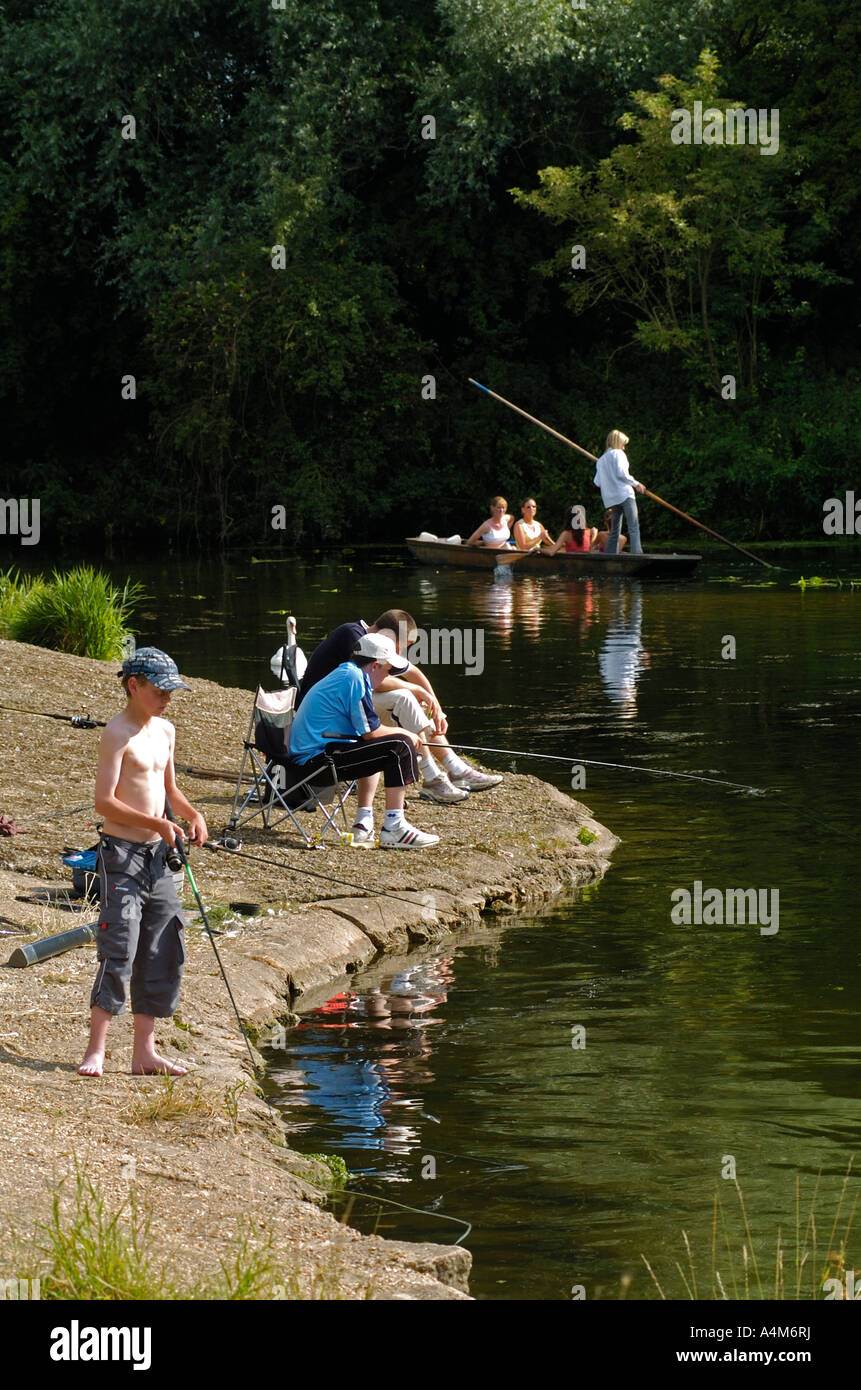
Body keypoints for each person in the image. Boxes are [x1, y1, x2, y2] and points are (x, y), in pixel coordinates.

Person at [79, 648, 208, 1078]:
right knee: (121, 946)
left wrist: (190, 815)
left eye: (172, 691)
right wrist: (156, 822)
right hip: (122, 857)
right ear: (133, 686)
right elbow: (104, 803)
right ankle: (96, 1050)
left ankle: (143, 1054)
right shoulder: (118, 733)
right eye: (160, 690)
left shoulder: (166, 730)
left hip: (158, 858)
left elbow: (170, 789)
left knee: (161, 947)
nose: (167, 698)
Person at [297, 610, 501, 803]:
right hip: (326, 716)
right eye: (401, 646)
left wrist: (434, 704)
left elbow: (413, 672)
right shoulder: (353, 637)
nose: (401, 652)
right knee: (403, 699)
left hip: (344, 707)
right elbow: (374, 682)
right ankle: (433, 778)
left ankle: (454, 768)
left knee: (410, 700)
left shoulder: (374, 642)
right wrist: (416, 692)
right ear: (387, 636)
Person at [288, 631, 438, 849]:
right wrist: (409, 734)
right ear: (375, 665)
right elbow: (372, 733)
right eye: (388, 671)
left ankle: (364, 824)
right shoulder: (354, 678)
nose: (388, 677)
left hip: (315, 756)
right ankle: (394, 828)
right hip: (315, 764)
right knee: (399, 746)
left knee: (384, 746)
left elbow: (367, 732)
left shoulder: (348, 673)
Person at [593, 430, 645, 554]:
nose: (624, 447)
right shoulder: (619, 454)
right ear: (617, 442)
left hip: (612, 498)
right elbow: (622, 474)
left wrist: (608, 479)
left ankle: (611, 554)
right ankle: (637, 554)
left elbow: (597, 482)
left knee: (615, 530)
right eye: (623, 444)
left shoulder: (601, 461)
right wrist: (637, 484)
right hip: (625, 494)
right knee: (633, 526)